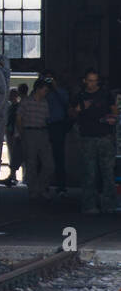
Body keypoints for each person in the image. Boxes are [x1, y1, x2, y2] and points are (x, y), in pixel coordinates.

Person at [68, 69, 119, 215]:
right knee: (89, 172)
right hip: (87, 137)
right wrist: (79, 108)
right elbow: (71, 113)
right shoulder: (79, 96)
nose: (92, 83)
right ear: (85, 81)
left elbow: (114, 111)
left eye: (94, 80)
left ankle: (109, 204)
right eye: (89, 80)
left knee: (107, 171)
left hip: (104, 136)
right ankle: (89, 204)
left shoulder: (106, 94)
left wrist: (112, 118)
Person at [17, 80, 54, 201]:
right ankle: (33, 190)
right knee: (31, 162)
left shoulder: (45, 103)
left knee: (49, 164)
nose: (46, 92)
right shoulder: (26, 101)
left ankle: (41, 187)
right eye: (45, 90)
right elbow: (19, 118)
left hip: (43, 132)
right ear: (38, 89)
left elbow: (47, 118)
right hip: (29, 132)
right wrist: (22, 133)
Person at [40, 70, 71, 195]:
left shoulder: (60, 92)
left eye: (50, 79)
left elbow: (66, 102)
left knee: (59, 156)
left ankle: (61, 185)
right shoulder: (42, 92)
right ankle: (43, 184)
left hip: (58, 126)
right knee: (42, 155)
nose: (48, 81)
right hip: (44, 126)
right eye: (46, 79)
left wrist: (55, 87)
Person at [3, 84, 26, 186]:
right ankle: (14, 176)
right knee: (13, 155)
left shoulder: (16, 107)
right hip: (11, 132)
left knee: (15, 155)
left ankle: (14, 176)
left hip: (14, 133)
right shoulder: (11, 107)